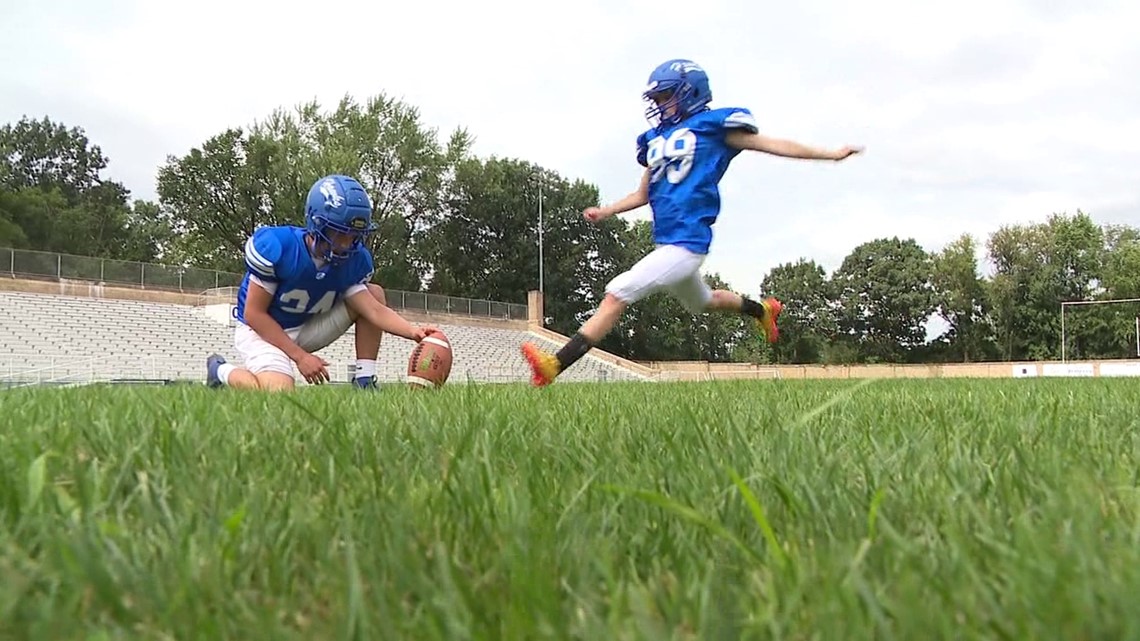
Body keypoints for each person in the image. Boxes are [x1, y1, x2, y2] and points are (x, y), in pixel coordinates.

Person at [521, 58, 863, 386]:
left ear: (689, 92)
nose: (659, 104)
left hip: (688, 242)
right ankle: (761, 309)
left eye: (665, 96)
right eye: (656, 98)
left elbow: (772, 144)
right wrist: (607, 210)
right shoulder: (655, 140)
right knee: (703, 302)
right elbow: (643, 194)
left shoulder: (713, 127)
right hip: (668, 241)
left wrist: (829, 154)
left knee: (616, 294)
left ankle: (556, 364)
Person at [206, 173, 437, 391]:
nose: (347, 244)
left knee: (373, 293)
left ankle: (364, 379)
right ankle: (220, 370)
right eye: (339, 233)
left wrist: (413, 331)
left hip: (306, 327)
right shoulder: (279, 247)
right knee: (277, 392)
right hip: (262, 330)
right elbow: (254, 315)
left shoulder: (355, 261)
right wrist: (300, 357)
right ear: (317, 223)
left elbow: (374, 310)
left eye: (354, 236)